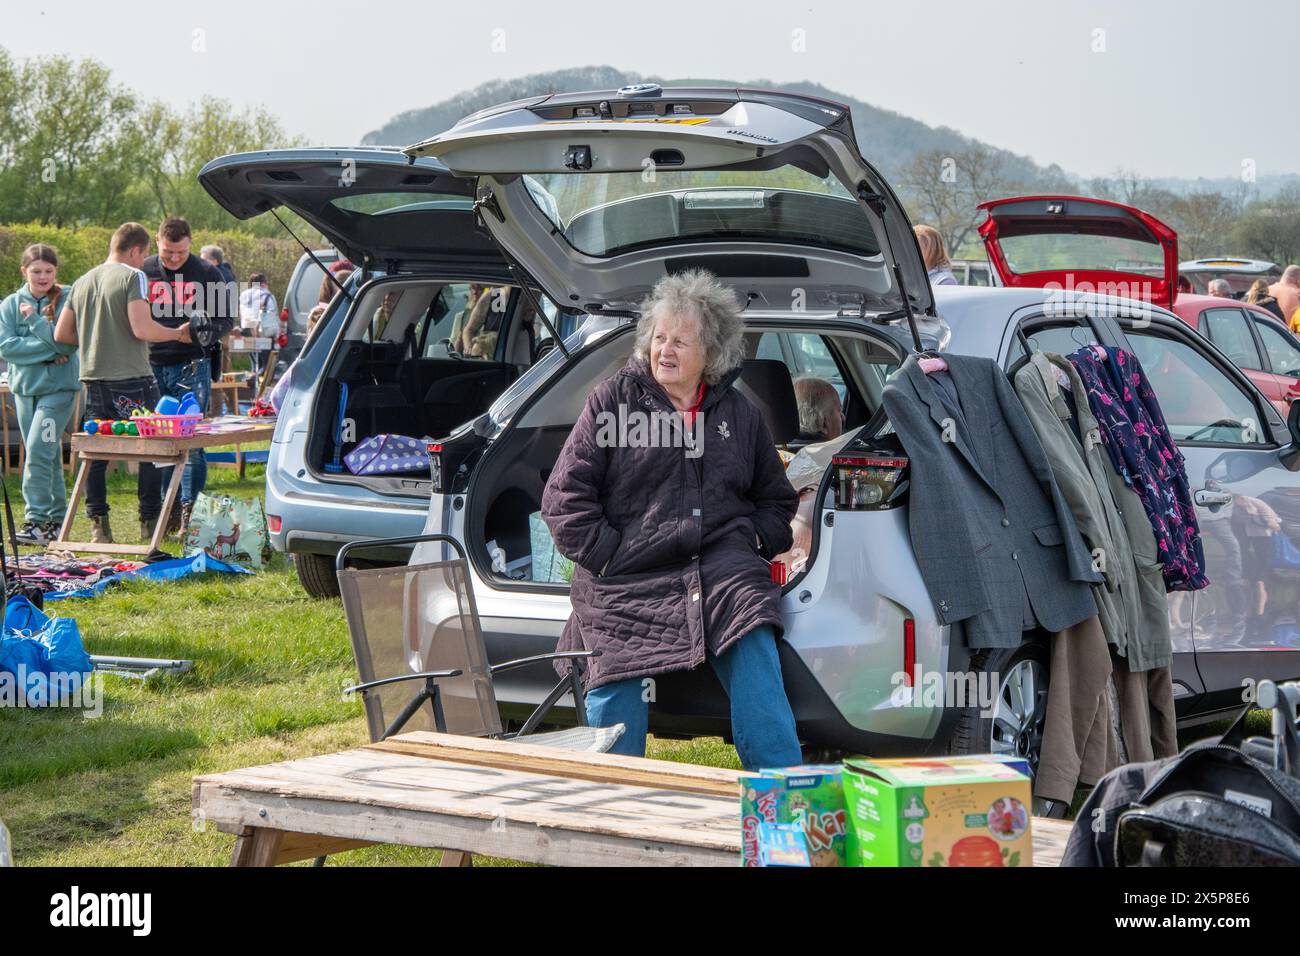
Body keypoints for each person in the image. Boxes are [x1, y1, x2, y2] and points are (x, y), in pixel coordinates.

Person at [541, 269, 802, 770]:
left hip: (720, 573)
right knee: (614, 685)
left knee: (754, 642)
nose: (666, 350)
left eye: (681, 341)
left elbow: (777, 501)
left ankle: (783, 799)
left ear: (713, 352)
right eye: (659, 338)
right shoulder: (612, 401)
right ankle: (614, 817)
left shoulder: (740, 415)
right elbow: (564, 498)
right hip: (626, 579)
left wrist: (750, 538)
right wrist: (608, 554)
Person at [55, 223, 192, 544]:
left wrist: (93, 339)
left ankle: (98, 528)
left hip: (92, 376)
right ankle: (150, 521)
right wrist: (177, 333)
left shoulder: (82, 281)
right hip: (132, 377)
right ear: (136, 250)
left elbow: (61, 335)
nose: (144, 262)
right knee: (151, 447)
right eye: (144, 255)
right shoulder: (134, 277)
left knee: (97, 454)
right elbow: (142, 328)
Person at [142, 218, 235, 536]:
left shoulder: (208, 273)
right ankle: (166, 510)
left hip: (192, 365)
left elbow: (226, 319)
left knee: (191, 443)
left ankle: (189, 512)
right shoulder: (144, 271)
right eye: (168, 252)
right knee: (162, 442)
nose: (174, 259)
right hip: (152, 363)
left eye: (180, 252)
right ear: (157, 241)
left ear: (191, 243)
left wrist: (201, 335)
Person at [0, 244, 80, 544]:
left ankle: (35, 520)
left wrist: (34, 323)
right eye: (36, 271)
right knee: (45, 455)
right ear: (25, 271)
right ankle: (57, 521)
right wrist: (47, 351)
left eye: (48, 271)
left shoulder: (67, 297)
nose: (43, 276)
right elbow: (6, 347)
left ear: (55, 271)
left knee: (36, 449)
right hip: (24, 391)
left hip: (58, 391)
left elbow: (68, 345)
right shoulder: (10, 304)